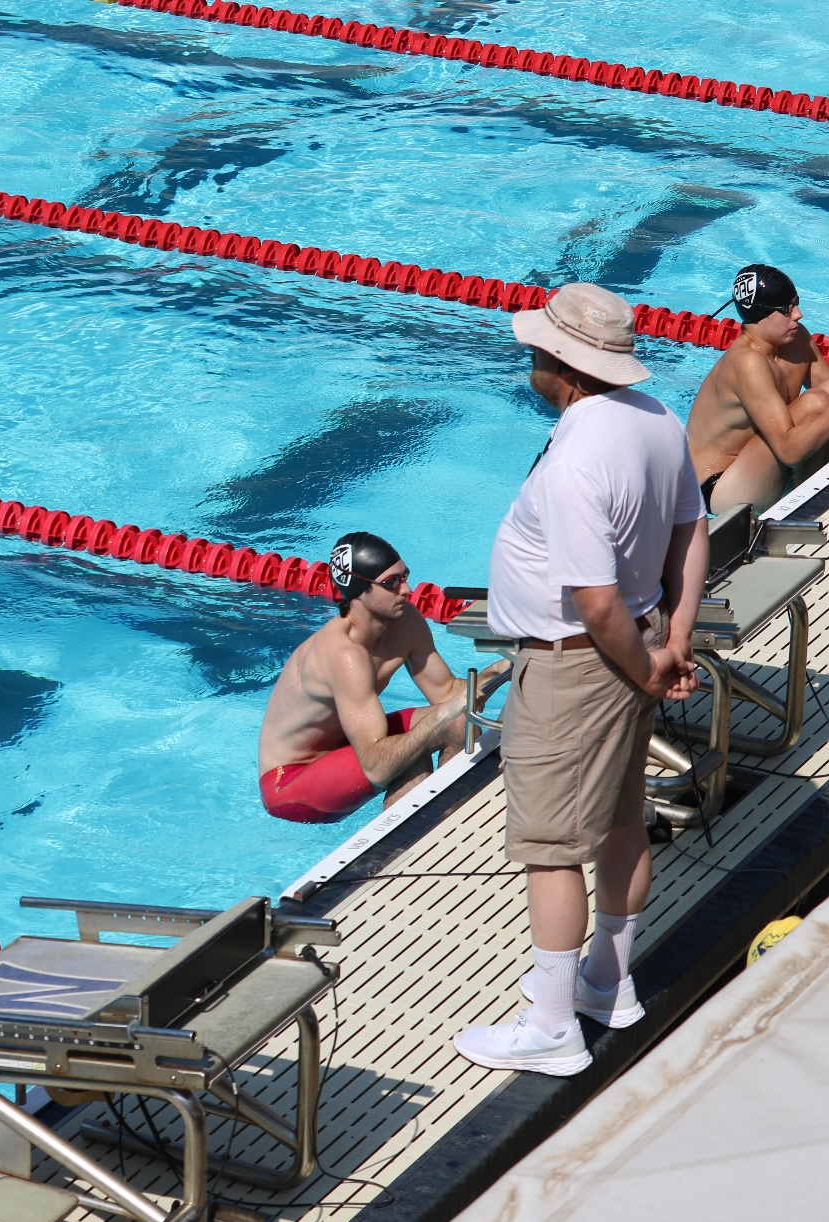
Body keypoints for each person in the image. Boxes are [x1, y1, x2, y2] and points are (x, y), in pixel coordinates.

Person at [451, 282, 709, 1077]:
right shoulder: (658, 420)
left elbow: (594, 606)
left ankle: (554, 1025)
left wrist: (646, 667)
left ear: (560, 363)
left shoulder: (575, 460)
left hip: (577, 666)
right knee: (624, 816)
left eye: (536, 349)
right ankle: (607, 980)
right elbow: (692, 528)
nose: (528, 358)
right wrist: (672, 638)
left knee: (552, 847)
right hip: (633, 645)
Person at [257, 532, 470, 823]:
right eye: (390, 583)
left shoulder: (405, 620)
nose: (406, 589)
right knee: (416, 741)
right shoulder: (343, 654)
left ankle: (455, 820)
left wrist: (506, 669)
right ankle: (408, 851)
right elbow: (378, 766)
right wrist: (437, 719)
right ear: (359, 590)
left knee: (457, 722)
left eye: (404, 576)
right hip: (293, 782)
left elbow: (448, 692)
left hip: (348, 749)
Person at [688, 264, 829, 514]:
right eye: (786, 309)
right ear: (759, 316)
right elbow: (789, 451)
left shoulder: (796, 339)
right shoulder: (747, 361)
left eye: (796, 303)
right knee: (817, 402)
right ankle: (818, 503)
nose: (798, 314)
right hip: (722, 486)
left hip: (763, 469)